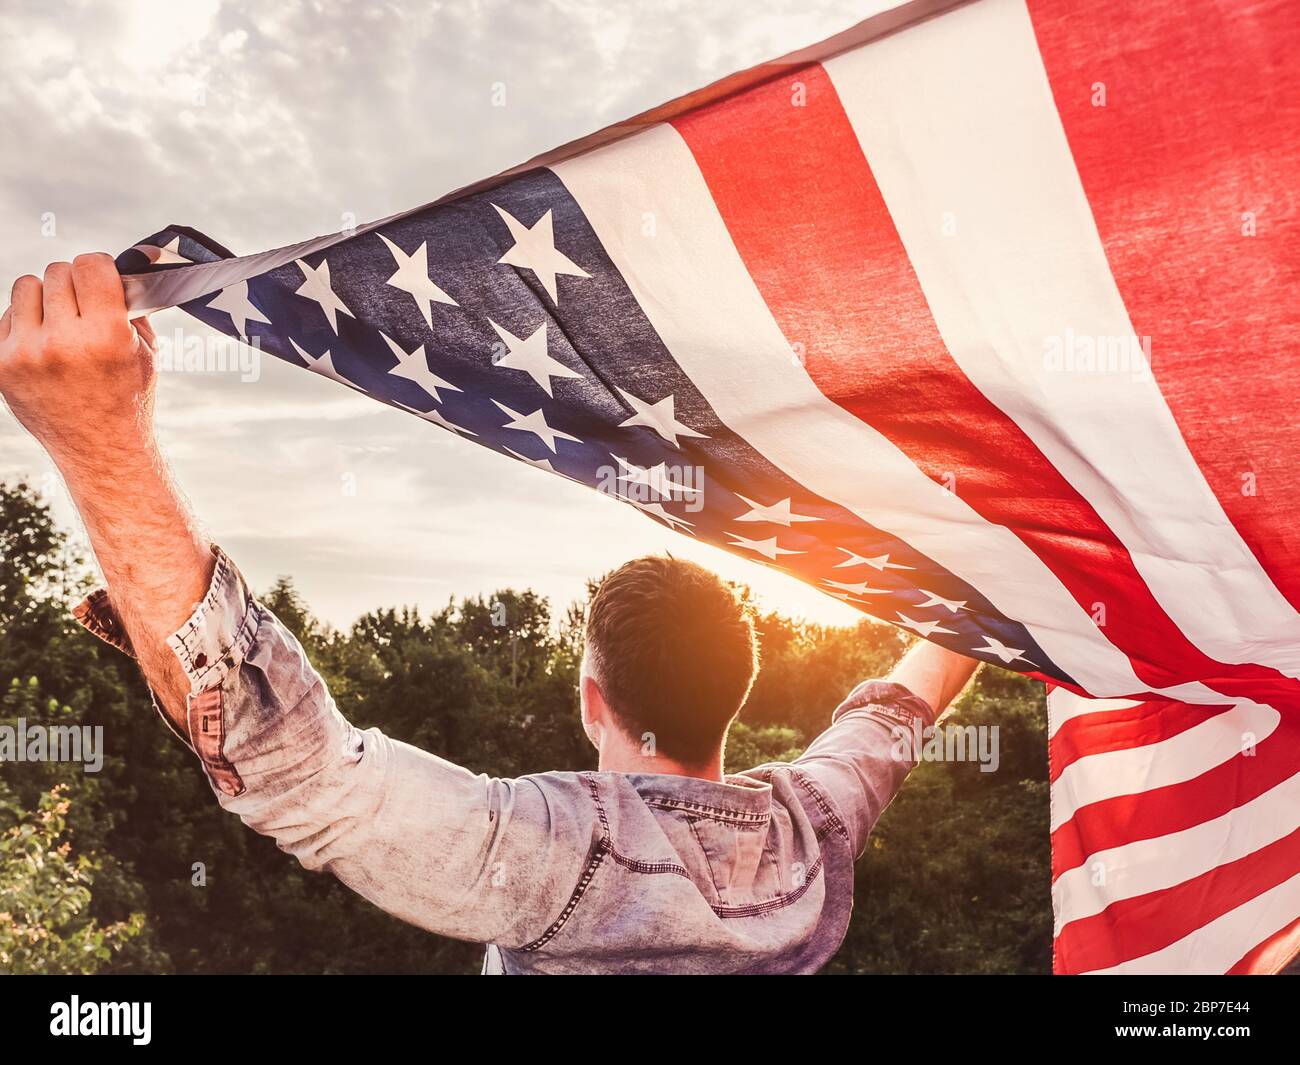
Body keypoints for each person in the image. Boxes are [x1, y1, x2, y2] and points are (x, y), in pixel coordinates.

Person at [0, 255, 980, 974]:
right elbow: (910, 694)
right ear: (736, 690)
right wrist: (1006, 554)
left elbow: (297, 775)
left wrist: (99, 439)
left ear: (592, 694)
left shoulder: (551, 855)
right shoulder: (814, 823)